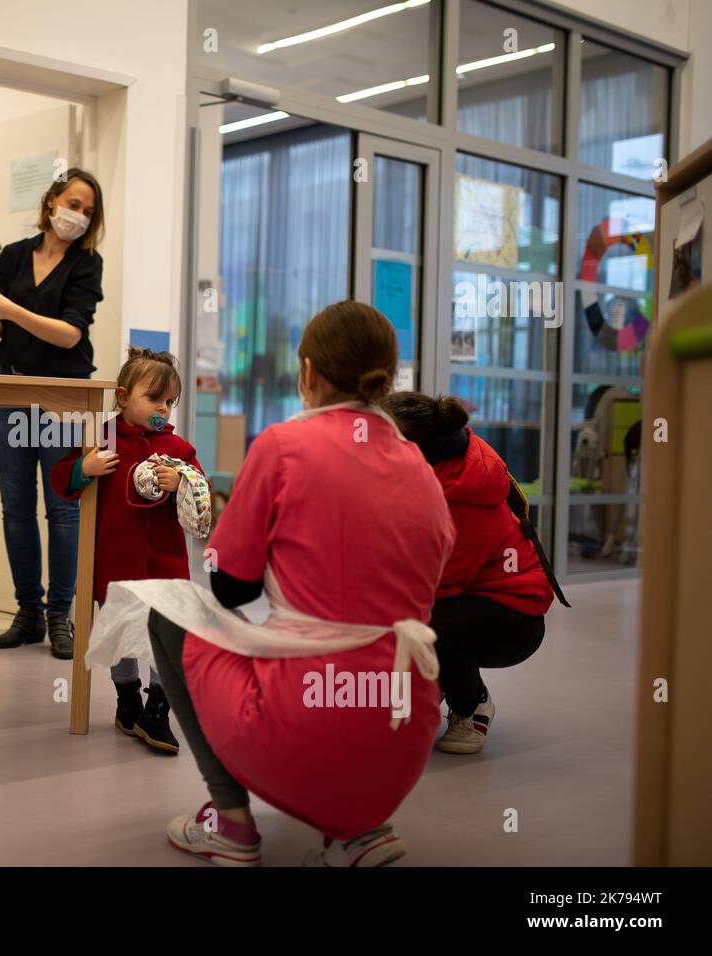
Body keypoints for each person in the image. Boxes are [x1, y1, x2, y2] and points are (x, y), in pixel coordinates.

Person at [102, 301, 454, 866]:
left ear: (308, 374)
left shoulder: (283, 447)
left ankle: (232, 824)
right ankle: (360, 831)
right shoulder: (417, 462)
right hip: (405, 724)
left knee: (171, 610)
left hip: (301, 729)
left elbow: (229, 588)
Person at [381, 392, 563, 754]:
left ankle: (472, 705)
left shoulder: (457, 498)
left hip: (513, 619)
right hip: (472, 598)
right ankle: (432, 688)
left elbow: (436, 585)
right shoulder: (442, 464)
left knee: (415, 620)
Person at [49, 348, 208, 754]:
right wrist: (84, 470)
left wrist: (182, 484)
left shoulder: (180, 448)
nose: (164, 408)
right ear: (122, 396)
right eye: (154, 398)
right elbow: (60, 480)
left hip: (166, 561)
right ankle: (127, 702)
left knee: (166, 634)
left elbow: (200, 495)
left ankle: (158, 708)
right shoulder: (100, 436)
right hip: (117, 559)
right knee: (123, 631)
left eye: (170, 401)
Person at [0, 169, 105, 660]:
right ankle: (27, 613)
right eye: (73, 203)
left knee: (63, 506)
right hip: (9, 384)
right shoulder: (13, 255)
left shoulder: (86, 265)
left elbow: (70, 334)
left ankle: (59, 617)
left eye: (88, 211)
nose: (78, 215)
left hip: (63, 392)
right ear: (51, 201)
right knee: (15, 505)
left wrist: (11, 310)